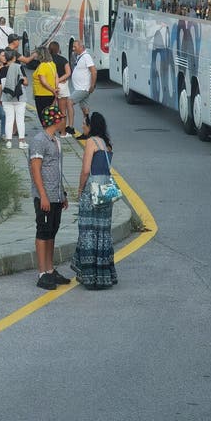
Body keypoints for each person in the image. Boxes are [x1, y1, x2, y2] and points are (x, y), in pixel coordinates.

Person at [71, 112, 118, 290]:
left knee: (88, 230)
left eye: (84, 124)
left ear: (91, 126)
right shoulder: (107, 144)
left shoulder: (91, 142)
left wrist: (80, 188)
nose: (82, 126)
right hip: (106, 189)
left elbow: (85, 170)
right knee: (103, 231)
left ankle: (90, 275)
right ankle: (105, 274)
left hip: (92, 188)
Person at [28, 105, 71, 290]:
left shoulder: (56, 140)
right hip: (44, 196)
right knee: (43, 232)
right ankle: (42, 273)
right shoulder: (40, 140)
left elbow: (57, 169)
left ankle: (51, 269)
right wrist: (43, 196)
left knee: (52, 232)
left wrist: (63, 194)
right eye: (62, 117)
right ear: (55, 120)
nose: (64, 120)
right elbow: (35, 169)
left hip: (56, 195)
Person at [66, 40, 97, 137]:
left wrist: (92, 85)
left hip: (83, 88)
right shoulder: (80, 56)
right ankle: (87, 132)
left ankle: (70, 127)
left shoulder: (86, 57)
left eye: (75, 47)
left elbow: (93, 71)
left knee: (69, 102)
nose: (73, 49)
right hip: (80, 87)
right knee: (85, 111)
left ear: (81, 47)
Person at [0, 48, 29, 149]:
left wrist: (0, 98)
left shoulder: (2, 70)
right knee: (20, 119)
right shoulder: (19, 67)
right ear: (14, 58)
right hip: (19, 97)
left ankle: (8, 142)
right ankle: (21, 142)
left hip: (6, 97)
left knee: (9, 119)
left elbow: (0, 86)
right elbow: (25, 82)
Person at [49, 41, 72, 133]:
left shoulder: (48, 61)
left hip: (51, 87)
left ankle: (52, 131)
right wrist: (60, 79)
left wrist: (55, 81)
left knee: (52, 110)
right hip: (62, 86)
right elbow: (68, 73)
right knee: (63, 112)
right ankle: (63, 132)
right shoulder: (63, 60)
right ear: (58, 49)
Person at [32, 46, 58, 125]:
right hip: (51, 94)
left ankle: (49, 136)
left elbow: (43, 82)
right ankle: (52, 135)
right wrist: (55, 89)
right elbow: (56, 77)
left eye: (36, 53)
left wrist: (53, 90)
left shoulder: (42, 66)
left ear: (40, 54)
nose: (34, 54)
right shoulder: (52, 64)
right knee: (50, 116)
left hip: (42, 95)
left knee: (43, 117)